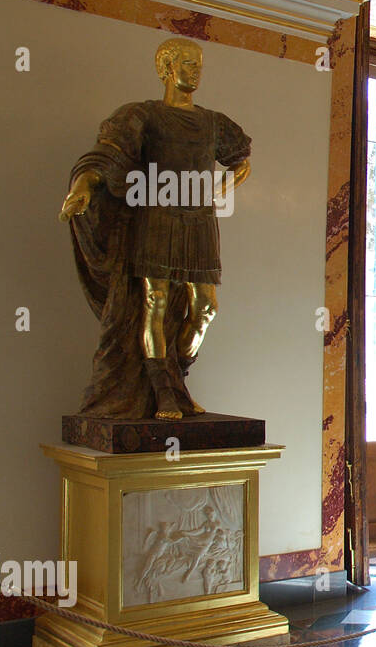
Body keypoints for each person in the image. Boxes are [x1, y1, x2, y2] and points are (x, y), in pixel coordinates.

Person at [59, 38, 251, 420]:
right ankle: (164, 393)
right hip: (157, 218)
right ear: (165, 67)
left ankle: (177, 380)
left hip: (199, 221)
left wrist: (223, 188)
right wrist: (83, 188)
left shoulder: (213, 123)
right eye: (186, 63)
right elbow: (108, 157)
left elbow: (241, 160)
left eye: (199, 64)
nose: (195, 70)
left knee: (206, 308)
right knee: (155, 303)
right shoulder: (143, 116)